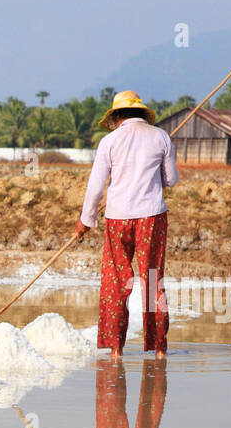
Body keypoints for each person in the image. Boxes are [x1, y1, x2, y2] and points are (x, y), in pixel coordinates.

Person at [73, 90, 178, 360]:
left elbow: (95, 186)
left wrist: (86, 221)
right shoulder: (161, 137)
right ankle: (159, 350)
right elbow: (171, 180)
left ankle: (116, 349)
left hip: (117, 219)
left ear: (117, 116)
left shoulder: (109, 141)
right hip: (151, 218)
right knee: (153, 280)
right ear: (142, 114)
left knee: (116, 282)